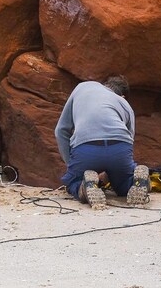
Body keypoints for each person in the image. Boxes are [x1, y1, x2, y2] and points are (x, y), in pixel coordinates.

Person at [55, 75, 149, 209]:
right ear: (122, 96)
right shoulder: (124, 103)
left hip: (86, 148)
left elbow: (61, 131)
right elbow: (129, 139)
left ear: (106, 86)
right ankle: (137, 182)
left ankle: (85, 186)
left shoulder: (82, 87)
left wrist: (71, 164)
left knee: (73, 181)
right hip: (119, 147)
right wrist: (113, 168)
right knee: (123, 184)